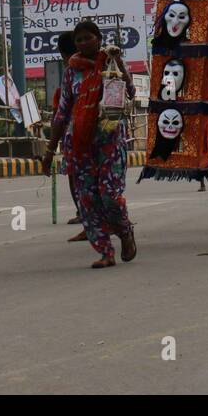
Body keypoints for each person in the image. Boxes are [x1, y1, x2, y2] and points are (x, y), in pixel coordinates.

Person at [42, 21, 137, 267]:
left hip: (110, 140)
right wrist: (50, 149)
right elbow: (62, 112)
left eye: (88, 38)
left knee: (109, 196)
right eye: (79, 40)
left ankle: (125, 231)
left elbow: (130, 91)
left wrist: (121, 66)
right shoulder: (72, 71)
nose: (84, 43)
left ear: (98, 38)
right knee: (87, 199)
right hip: (81, 143)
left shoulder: (110, 61)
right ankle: (106, 252)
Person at [50, 31, 86, 238]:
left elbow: (60, 113)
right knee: (79, 176)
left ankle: (89, 215)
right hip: (76, 137)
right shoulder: (70, 75)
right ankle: (90, 218)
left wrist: (50, 147)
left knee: (78, 177)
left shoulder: (104, 67)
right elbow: (61, 111)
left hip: (93, 136)